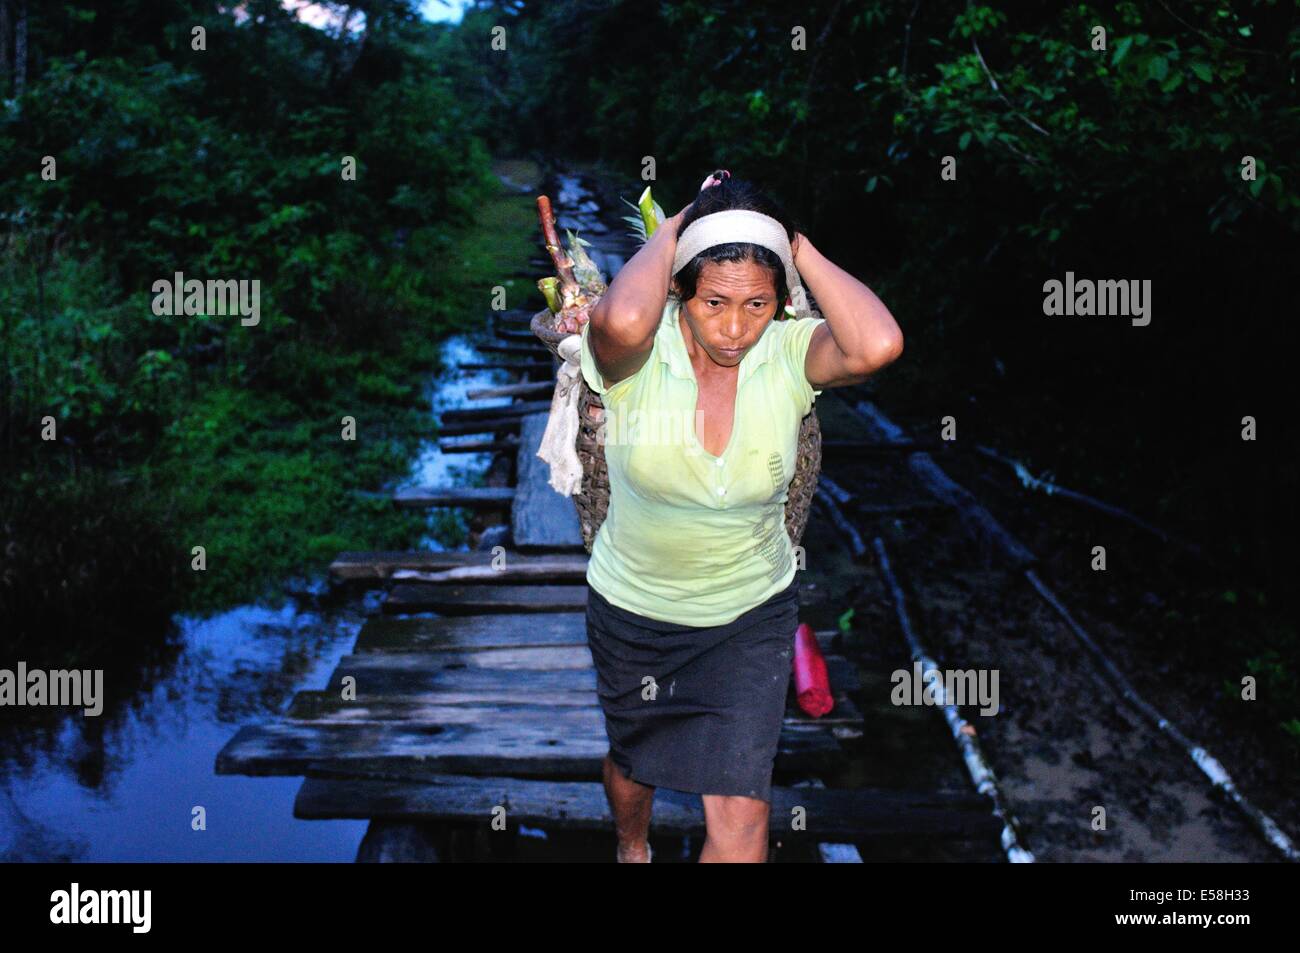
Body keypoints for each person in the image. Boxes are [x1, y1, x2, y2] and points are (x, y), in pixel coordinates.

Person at [578, 171, 903, 863]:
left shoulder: (788, 353)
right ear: (680, 291)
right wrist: (681, 221)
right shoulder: (637, 358)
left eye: (758, 302)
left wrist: (791, 239)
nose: (734, 328)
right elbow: (617, 319)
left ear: (782, 299)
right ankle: (630, 843)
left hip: (748, 615)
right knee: (634, 769)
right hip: (636, 612)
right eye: (714, 301)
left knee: (743, 813)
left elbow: (876, 344)